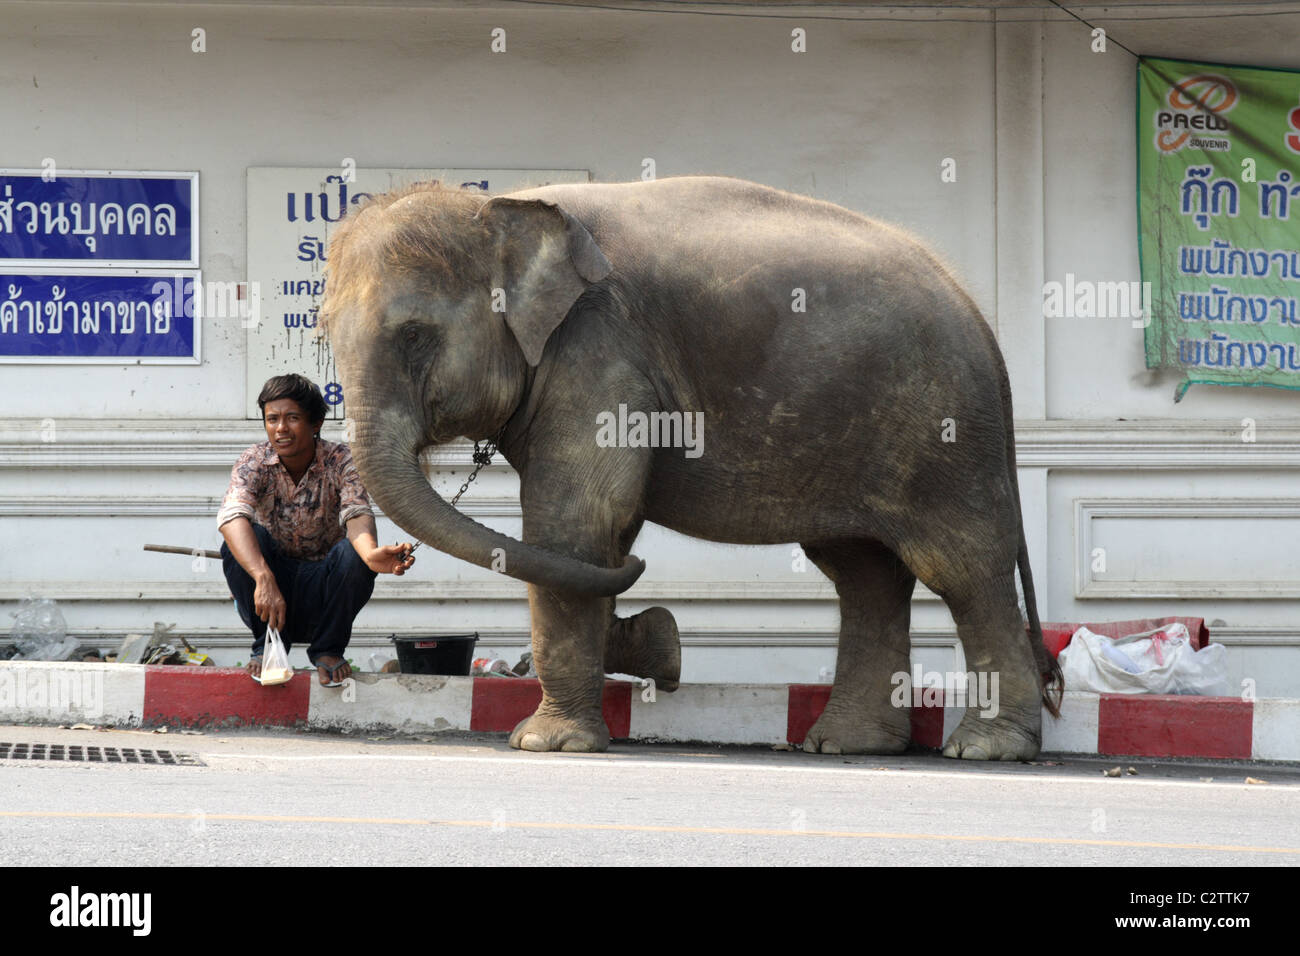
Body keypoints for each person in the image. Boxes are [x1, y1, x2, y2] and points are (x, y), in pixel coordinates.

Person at [217, 374, 414, 686]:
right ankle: (268, 645)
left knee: (354, 554)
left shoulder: (342, 460)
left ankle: (328, 649)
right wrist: (262, 576)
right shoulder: (254, 459)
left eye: (292, 418)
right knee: (240, 541)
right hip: (270, 589)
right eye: (272, 419)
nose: (280, 429)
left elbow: (357, 513)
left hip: (323, 589)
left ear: (316, 423)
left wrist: (371, 553)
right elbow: (231, 516)